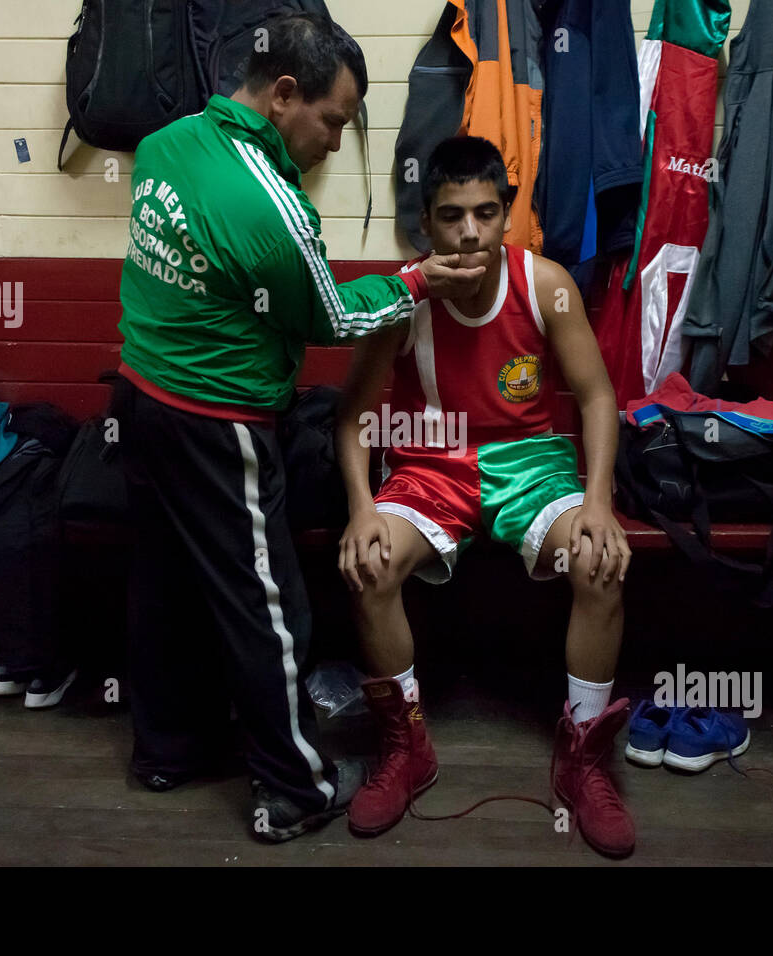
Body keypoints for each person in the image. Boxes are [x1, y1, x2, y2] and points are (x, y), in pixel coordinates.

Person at [110, 13, 490, 844]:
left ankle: (167, 751)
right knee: (268, 610)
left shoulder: (170, 142)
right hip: (218, 426)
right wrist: (416, 282)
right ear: (284, 94)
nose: (334, 141)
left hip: (140, 402)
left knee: (165, 588)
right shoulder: (272, 204)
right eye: (333, 120)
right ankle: (294, 788)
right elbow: (329, 319)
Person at [335, 136, 636, 857]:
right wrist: (360, 508)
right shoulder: (401, 294)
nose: (470, 232)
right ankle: (406, 746)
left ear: (506, 214)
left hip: (530, 466)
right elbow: (349, 418)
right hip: (430, 466)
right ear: (426, 223)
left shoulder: (547, 284)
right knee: (371, 566)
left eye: (486, 212)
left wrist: (598, 501)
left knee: (598, 561)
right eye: (451, 215)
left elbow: (597, 399)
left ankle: (584, 755)